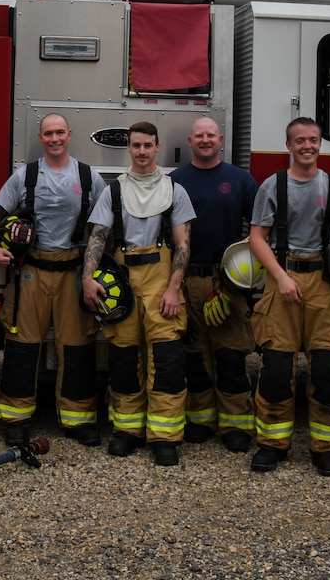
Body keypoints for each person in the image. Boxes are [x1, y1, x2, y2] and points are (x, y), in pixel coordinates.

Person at [247, 117, 330, 477]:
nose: (307, 146)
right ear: (289, 145)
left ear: (320, 144)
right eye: (300, 140)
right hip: (282, 282)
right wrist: (282, 278)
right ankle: (272, 445)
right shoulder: (273, 186)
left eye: (313, 140)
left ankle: (328, 448)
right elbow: (257, 237)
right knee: (276, 369)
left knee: (328, 370)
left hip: (323, 284)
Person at [0, 113, 106, 447]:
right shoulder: (25, 176)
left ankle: (78, 418)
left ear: (69, 135)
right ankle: (14, 417)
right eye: (48, 134)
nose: (54, 138)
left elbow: (102, 225)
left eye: (60, 133)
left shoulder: (88, 177)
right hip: (31, 272)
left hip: (73, 272)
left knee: (78, 345)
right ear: (40, 138)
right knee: (22, 345)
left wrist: (93, 269)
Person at [82, 121, 195, 466]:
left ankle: (164, 437)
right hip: (124, 279)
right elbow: (98, 237)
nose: (142, 151)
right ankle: (127, 431)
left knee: (167, 360)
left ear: (157, 147)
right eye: (136, 145)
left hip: (162, 278)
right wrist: (87, 278)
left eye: (148, 145)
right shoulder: (113, 192)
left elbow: (183, 243)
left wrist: (174, 288)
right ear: (128, 149)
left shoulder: (174, 189)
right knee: (124, 359)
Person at [170, 117, 259, 454]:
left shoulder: (241, 180)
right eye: (200, 136)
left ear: (220, 139)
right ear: (190, 140)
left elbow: (259, 228)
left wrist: (246, 274)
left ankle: (236, 425)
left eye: (211, 135)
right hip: (188, 278)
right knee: (194, 355)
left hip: (228, 282)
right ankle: (200, 421)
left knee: (231, 356)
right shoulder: (175, 181)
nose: (206, 140)